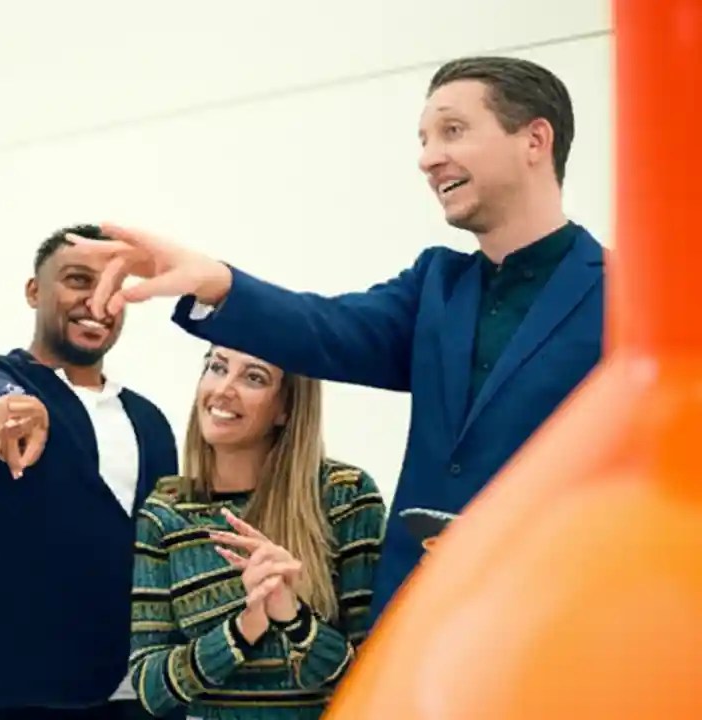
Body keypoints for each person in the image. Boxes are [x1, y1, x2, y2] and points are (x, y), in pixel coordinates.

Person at [73, 56, 603, 621]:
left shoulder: (634, 299)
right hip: (419, 628)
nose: (428, 158)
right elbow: (325, 328)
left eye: (453, 130)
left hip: (557, 624)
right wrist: (217, 283)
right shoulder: (435, 286)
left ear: (535, 139)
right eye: (423, 139)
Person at [0, 225, 180, 720]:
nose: (97, 301)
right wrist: (5, 406)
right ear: (34, 291)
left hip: (150, 695)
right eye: (78, 280)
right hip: (32, 697)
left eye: (114, 286)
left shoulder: (150, 422)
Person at [129, 346, 386, 719]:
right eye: (217, 367)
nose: (223, 389)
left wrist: (293, 618)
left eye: (253, 377)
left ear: (286, 408)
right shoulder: (166, 511)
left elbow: (372, 676)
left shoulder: (345, 494)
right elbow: (150, 688)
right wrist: (243, 628)